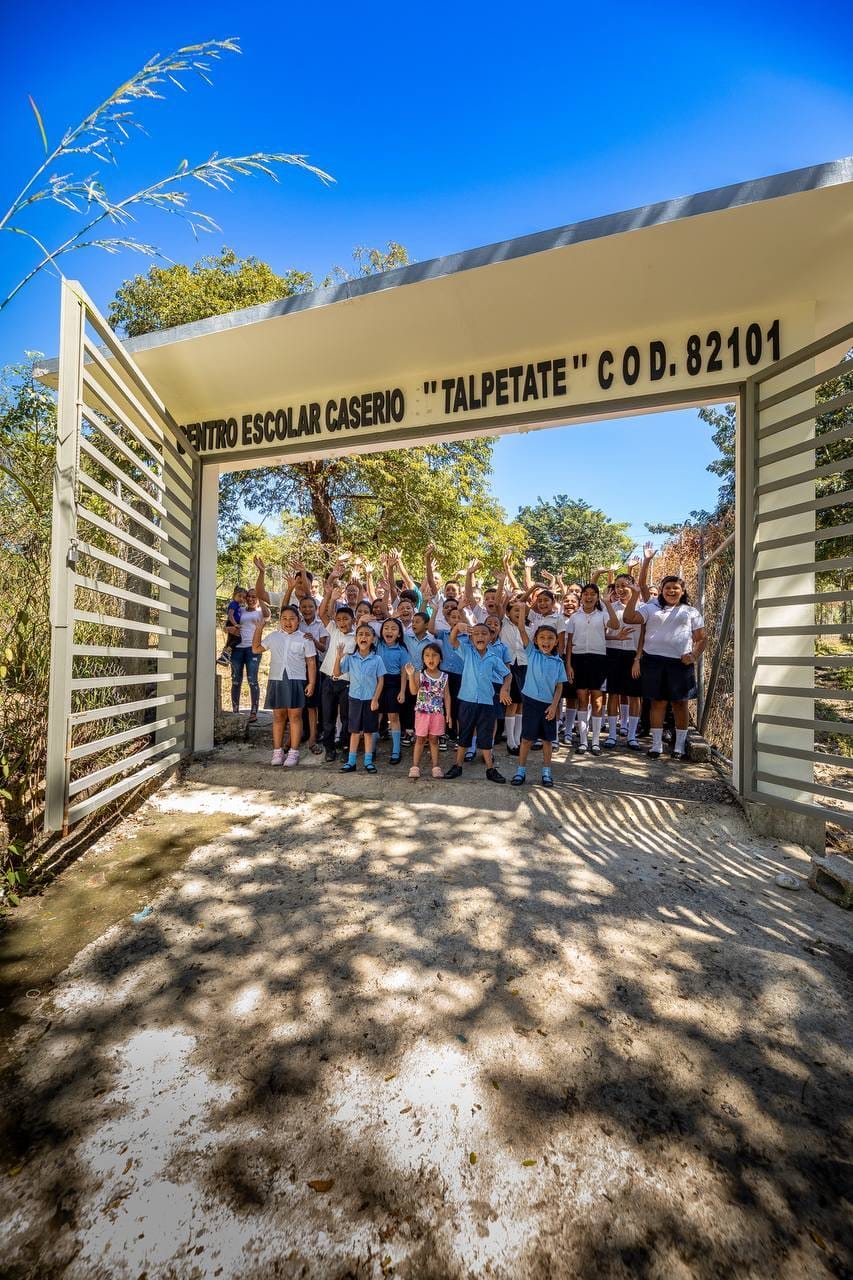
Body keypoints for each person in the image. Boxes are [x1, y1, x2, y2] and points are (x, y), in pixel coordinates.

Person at [622, 577, 706, 760]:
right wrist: (635, 593)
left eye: (676, 588)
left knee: (680, 704)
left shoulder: (691, 611)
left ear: (682, 591)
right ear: (662, 590)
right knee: (657, 703)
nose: (671, 591)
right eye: (668, 588)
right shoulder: (651, 607)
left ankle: (679, 747)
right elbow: (628, 618)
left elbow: (701, 638)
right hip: (653, 662)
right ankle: (656, 745)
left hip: (680, 664)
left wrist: (693, 656)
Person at [442, 621, 511, 783]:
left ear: (490, 637)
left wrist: (503, 689)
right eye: (477, 633)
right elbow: (452, 640)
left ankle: (490, 769)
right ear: (471, 637)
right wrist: (457, 627)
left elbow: (508, 675)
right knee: (464, 734)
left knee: (485, 737)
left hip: (487, 703)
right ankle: (457, 766)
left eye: (484, 633)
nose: (480, 636)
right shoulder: (467, 652)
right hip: (467, 701)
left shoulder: (493, 657)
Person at [564, 583, 626, 756]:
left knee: (598, 700)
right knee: (582, 698)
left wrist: (607, 603)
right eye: (586, 594)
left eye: (593, 594)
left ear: (597, 597)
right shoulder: (575, 617)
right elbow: (569, 643)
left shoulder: (603, 614)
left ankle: (596, 741)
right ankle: (583, 741)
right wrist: (568, 665)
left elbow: (614, 624)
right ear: (581, 597)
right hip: (578, 659)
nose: (589, 597)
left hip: (598, 659)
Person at [253, 604, 317, 767]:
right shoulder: (274, 636)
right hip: (277, 680)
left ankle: (294, 752)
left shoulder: (305, 638)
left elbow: (311, 662)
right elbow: (256, 648)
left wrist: (311, 683)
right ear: (280, 620)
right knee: (278, 716)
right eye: (284, 618)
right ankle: (277, 751)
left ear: (299, 620)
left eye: (292, 618)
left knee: (295, 716)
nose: (288, 622)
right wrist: (259, 628)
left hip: (296, 680)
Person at [510, 622, 565, 788]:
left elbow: (559, 686)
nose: (546, 641)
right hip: (531, 703)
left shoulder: (558, 662)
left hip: (548, 706)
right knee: (526, 739)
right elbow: (521, 629)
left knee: (547, 741)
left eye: (550, 638)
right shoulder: (532, 653)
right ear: (535, 640)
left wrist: (554, 706)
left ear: (556, 641)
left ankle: (546, 772)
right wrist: (521, 608)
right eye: (542, 637)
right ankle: (520, 771)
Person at [335, 624, 385, 773]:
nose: (364, 637)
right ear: (356, 638)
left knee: (369, 731)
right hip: (354, 699)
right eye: (360, 634)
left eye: (367, 635)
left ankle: (368, 761)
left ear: (373, 639)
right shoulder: (351, 658)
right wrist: (338, 658)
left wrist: (375, 699)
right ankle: (351, 762)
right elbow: (337, 673)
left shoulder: (377, 659)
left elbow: (381, 680)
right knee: (355, 731)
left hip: (370, 700)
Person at [603, 574, 644, 750]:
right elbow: (602, 632)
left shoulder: (643, 608)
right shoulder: (610, 607)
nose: (620, 590)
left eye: (624, 586)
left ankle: (632, 736)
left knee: (634, 696)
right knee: (613, 694)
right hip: (613, 654)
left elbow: (643, 636)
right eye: (617, 586)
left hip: (634, 655)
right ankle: (612, 734)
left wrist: (637, 659)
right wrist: (615, 636)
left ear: (633, 587)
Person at [318, 578, 356, 762]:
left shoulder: (358, 636)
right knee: (328, 716)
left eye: (346, 619)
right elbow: (323, 613)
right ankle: (329, 748)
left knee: (347, 717)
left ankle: (346, 747)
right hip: (328, 679)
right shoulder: (333, 629)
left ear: (353, 620)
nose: (342, 622)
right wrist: (330, 597)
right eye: (339, 619)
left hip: (347, 681)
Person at [404, 645, 450, 780]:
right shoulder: (420, 674)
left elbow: (447, 695)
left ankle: (436, 767)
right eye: (427, 655)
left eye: (435, 655)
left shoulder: (444, 676)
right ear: (423, 659)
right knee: (419, 739)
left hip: (437, 713)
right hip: (422, 713)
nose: (431, 658)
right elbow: (413, 691)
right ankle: (415, 766)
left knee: (434, 740)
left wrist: (449, 714)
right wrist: (411, 676)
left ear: (440, 658)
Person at [230, 588, 269, 722]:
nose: (251, 599)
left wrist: (261, 598)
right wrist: (229, 628)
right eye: (249, 597)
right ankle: (235, 710)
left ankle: (254, 712)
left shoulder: (260, 613)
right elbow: (228, 624)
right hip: (237, 649)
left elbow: (267, 614)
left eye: (254, 596)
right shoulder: (240, 610)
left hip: (253, 649)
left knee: (252, 680)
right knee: (236, 679)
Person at [298, 594, 329, 754]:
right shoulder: (297, 623)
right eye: (304, 607)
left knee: (315, 703)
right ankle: (301, 733)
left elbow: (323, 648)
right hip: (298, 666)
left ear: (316, 609)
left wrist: (313, 640)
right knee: (299, 703)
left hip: (318, 666)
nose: (307, 609)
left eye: (310, 606)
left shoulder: (320, 625)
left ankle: (315, 735)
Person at [499, 596, 529, 757]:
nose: (519, 612)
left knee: (521, 704)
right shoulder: (504, 624)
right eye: (515, 610)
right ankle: (510, 740)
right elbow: (500, 606)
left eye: (522, 610)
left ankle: (518, 738)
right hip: (509, 666)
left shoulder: (528, 628)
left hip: (524, 666)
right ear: (508, 613)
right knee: (512, 703)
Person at [376, 618, 408, 763]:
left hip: (394, 683)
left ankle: (396, 750)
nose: (389, 631)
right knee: (376, 715)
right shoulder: (377, 645)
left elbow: (404, 672)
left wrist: (402, 691)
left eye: (394, 628)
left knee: (393, 716)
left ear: (399, 634)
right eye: (386, 628)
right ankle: (372, 747)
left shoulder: (401, 650)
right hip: (377, 683)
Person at [216, 586, 246, 667]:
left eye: (243, 597)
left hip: (234, 623)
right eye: (239, 596)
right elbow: (230, 615)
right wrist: (235, 624)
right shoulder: (233, 604)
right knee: (238, 639)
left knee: (230, 640)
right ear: (234, 595)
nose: (241, 599)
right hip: (232, 623)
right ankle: (226, 653)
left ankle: (224, 658)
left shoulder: (239, 606)